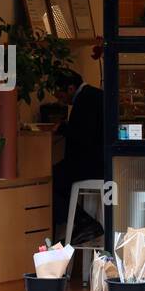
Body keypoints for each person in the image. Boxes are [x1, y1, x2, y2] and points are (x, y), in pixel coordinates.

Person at [51, 68, 105, 244]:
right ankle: (81, 221)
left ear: (71, 88)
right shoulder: (96, 95)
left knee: (48, 182)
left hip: (89, 165)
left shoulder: (85, 100)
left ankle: (84, 221)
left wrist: (62, 128)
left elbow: (83, 135)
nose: (61, 101)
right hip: (101, 163)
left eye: (61, 95)